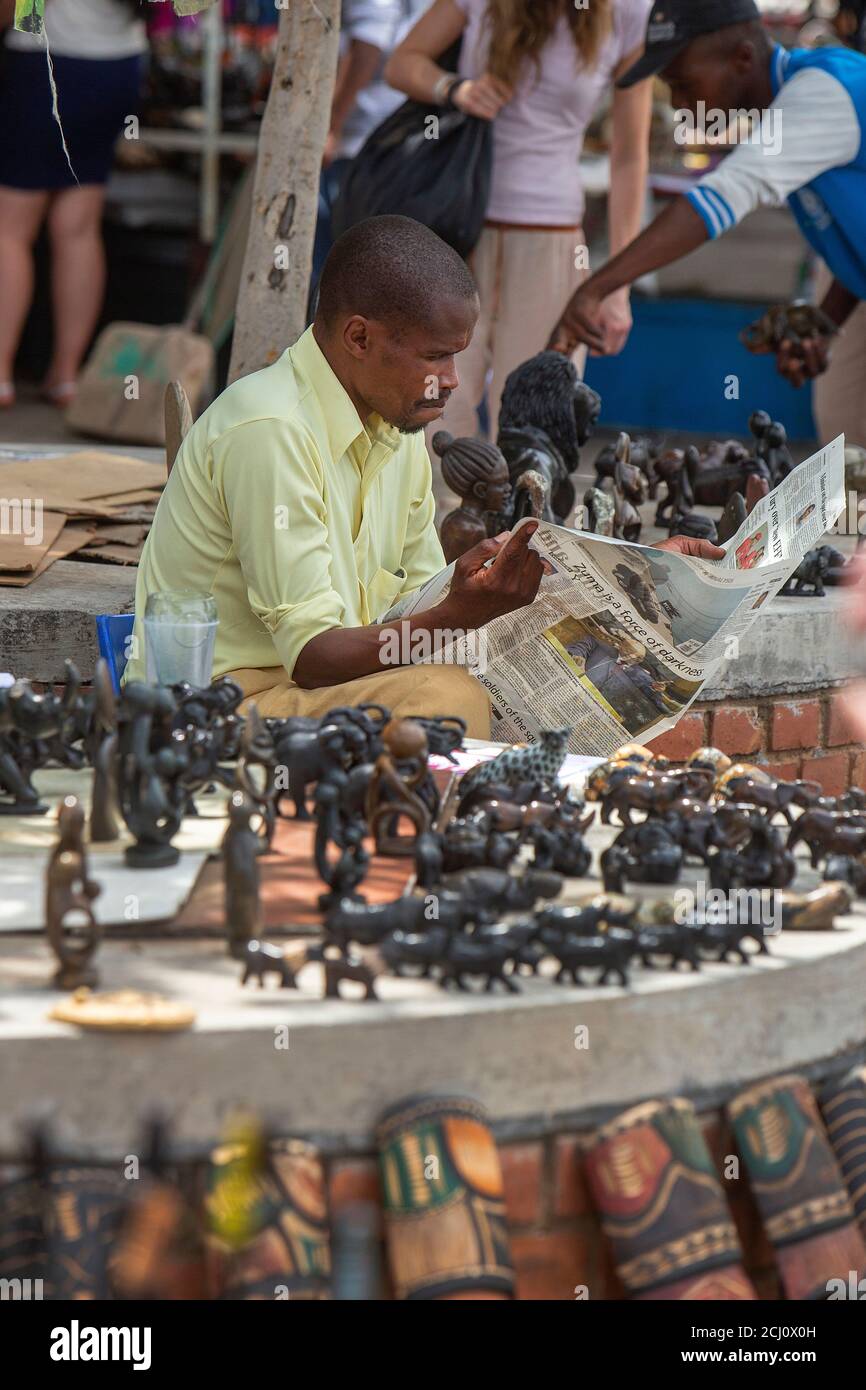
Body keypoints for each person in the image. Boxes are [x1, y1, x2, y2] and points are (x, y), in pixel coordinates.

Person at [128, 216, 715, 733]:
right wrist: (452, 617)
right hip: (217, 706)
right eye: (437, 356)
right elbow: (312, 656)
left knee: (485, 683)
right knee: (445, 698)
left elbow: (418, 611)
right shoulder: (270, 429)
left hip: (319, 691)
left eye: (458, 355)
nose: (454, 379)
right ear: (359, 337)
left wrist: (631, 584)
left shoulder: (395, 426)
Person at [549, 0, 866, 451]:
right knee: (846, 448)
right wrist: (824, 322)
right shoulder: (790, 103)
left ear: (742, 57)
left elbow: (721, 195)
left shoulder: (824, 90)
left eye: (683, 84)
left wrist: (596, 287)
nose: (679, 104)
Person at [385, 0, 653, 440]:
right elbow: (402, 63)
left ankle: (526, 513)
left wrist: (617, 286)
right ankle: (436, 512)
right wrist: (455, 89)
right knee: (433, 416)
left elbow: (629, 157)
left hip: (554, 242)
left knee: (535, 425)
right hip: (457, 233)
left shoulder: (628, 11)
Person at [0, 0, 146, 409]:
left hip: (45, 56)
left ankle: (1, 374)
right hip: (118, 61)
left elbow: (19, 8)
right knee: (79, 227)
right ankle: (66, 376)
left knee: (9, 228)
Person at [311, 1, 433, 291]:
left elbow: (369, 43)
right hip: (392, 142)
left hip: (363, 145)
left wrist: (332, 126)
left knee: (342, 275)